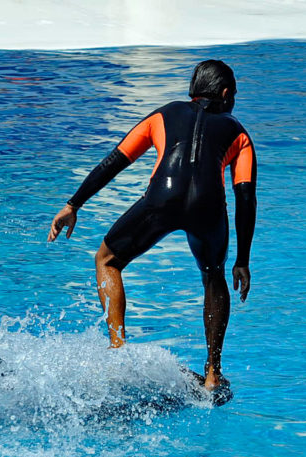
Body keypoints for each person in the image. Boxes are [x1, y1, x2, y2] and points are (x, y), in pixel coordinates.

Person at [47, 60, 257, 402]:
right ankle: (213, 374)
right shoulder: (239, 133)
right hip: (208, 207)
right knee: (213, 276)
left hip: (162, 198)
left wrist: (74, 204)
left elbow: (116, 160)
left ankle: (118, 352)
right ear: (224, 94)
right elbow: (245, 196)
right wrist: (243, 260)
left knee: (107, 260)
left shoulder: (163, 114)